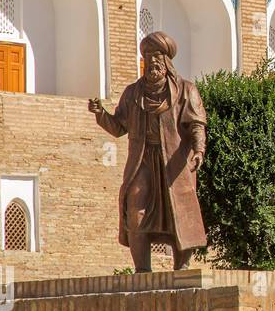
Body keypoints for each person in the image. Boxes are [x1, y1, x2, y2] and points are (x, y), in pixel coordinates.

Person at [89, 31, 208, 272]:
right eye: (148, 57)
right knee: (135, 208)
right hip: (142, 160)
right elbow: (119, 127)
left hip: (173, 163)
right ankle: (142, 271)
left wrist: (198, 150)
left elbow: (196, 124)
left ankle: (182, 268)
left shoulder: (185, 90)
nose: (152, 62)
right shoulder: (133, 93)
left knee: (179, 212)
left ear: (167, 61)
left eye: (157, 57)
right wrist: (100, 114)